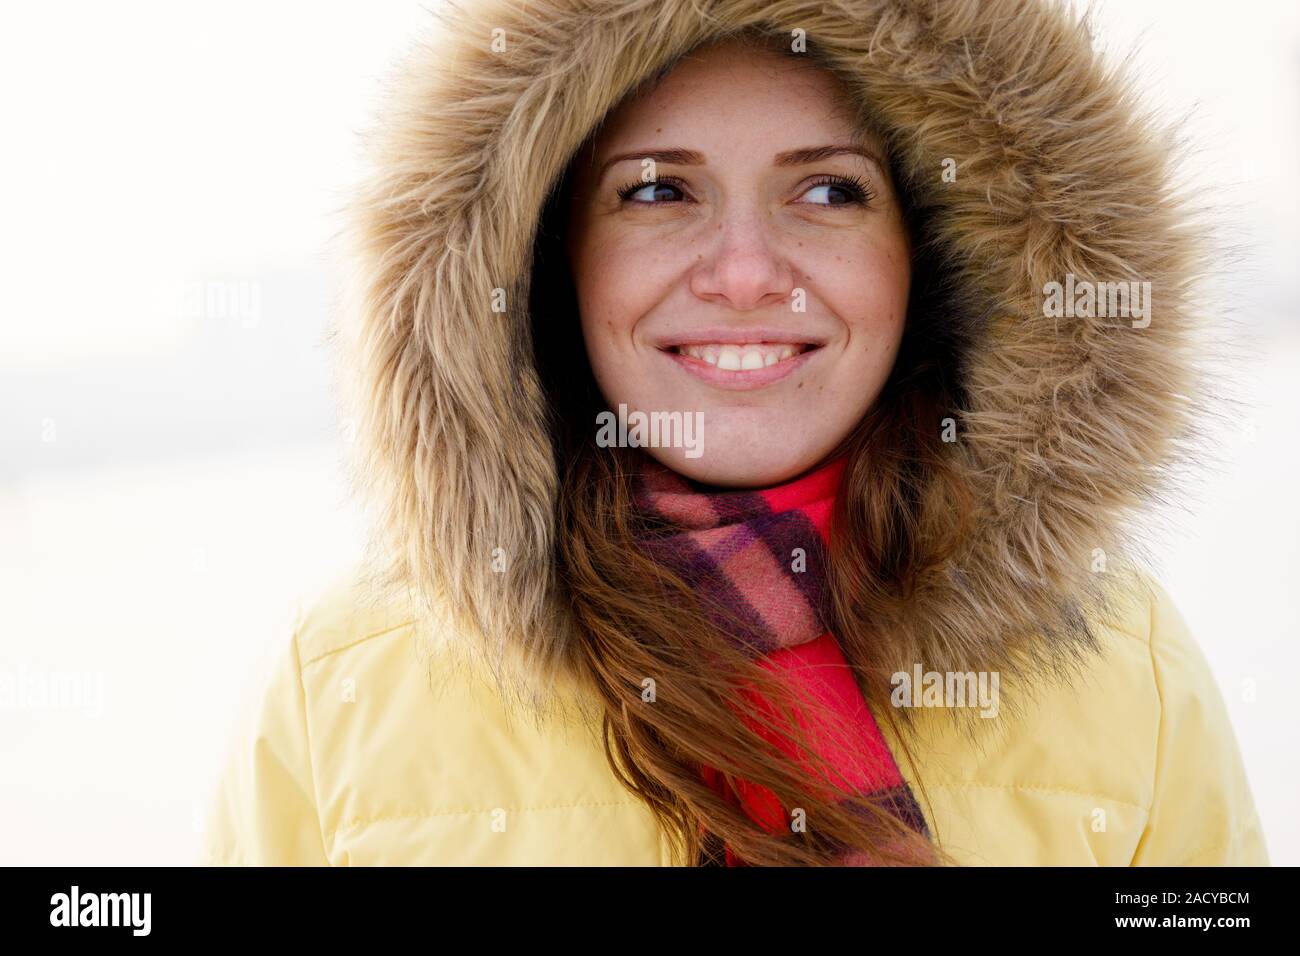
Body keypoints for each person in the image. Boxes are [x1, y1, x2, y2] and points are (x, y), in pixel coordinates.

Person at [201, 0, 1268, 866]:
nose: (747, 271)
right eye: (659, 190)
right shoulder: (342, 684)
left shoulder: (1123, 662)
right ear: (550, 257)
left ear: (930, 256)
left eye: (826, 190)